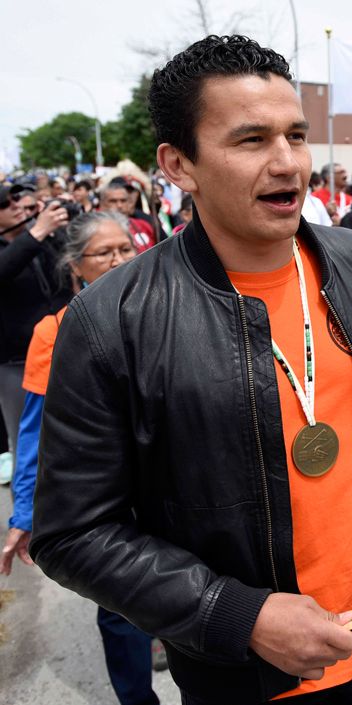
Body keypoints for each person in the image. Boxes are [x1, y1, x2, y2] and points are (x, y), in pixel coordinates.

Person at [30, 34, 352, 705]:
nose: (288, 163)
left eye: (297, 135)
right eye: (251, 140)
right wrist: (236, 613)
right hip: (247, 678)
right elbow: (73, 531)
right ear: (178, 165)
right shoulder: (112, 322)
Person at [1, 210, 161, 705]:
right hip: (109, 497)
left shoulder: (166, 311)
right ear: (76, 266)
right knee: (120, 609)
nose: (118, 261)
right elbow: (34, 433)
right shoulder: (53, 332)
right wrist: (25, 513)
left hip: (175, 485)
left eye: (125, 250)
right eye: (104, 253)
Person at [0, 185, 71, 477]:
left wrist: (56, 228)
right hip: (16, 361)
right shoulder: (30, 239)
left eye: (18, 199)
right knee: (27, 443)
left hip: (62, 348)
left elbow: (71, 267)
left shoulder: (40, 238)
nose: (17, 205)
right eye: (6, 203)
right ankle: (27, 518)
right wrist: (36, 233)